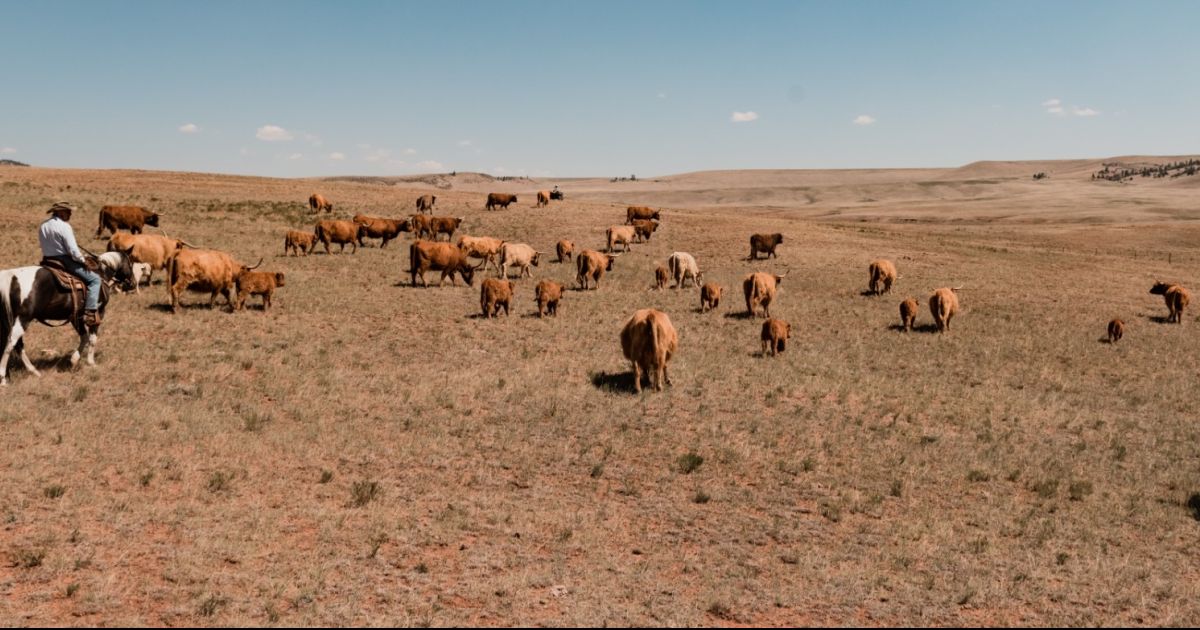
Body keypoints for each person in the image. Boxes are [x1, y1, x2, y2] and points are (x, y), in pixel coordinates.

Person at [39, 201, 102, 326]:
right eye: (68, 211)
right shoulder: (64, 226)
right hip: (64, 260)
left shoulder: (43, 225)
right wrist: (83, 261)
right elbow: (73, 251)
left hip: (47, 260)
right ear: (61, 212)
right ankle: (90, 312)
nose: (70, 214)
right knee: (95, 280)